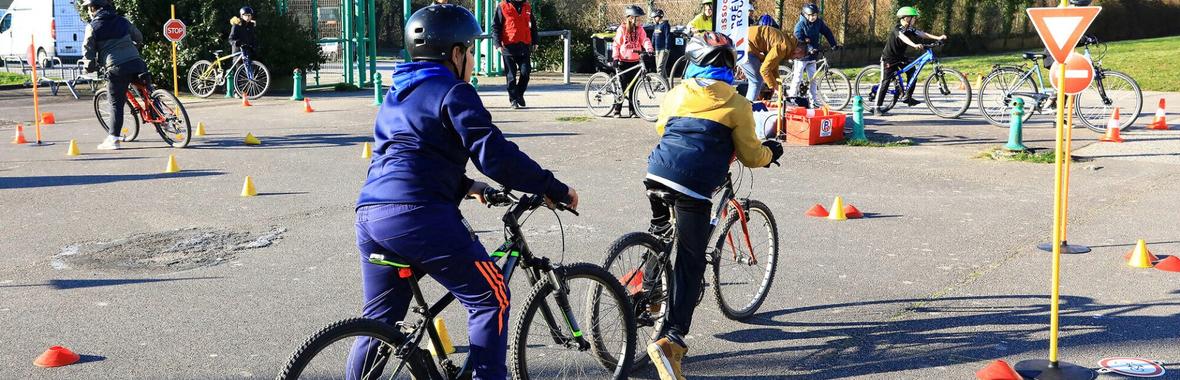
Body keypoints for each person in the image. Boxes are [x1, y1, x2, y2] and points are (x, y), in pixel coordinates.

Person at [350, 5, 578, 380]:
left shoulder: (397, 92)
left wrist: (466, 186)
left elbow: (409, 155)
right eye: (470, 50)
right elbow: (497, 157)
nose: (472, 59)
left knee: (379, 320)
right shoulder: (454, 91)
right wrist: (553, 187)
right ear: (455, 53)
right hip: (419, 216)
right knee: (491, 298)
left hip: (372, 214)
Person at [643, 31, 783, 380]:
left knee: (660, 231)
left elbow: (662, 127)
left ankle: (649, 291)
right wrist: (771, 153)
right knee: (690, 262)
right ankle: (672, 341)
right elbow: (750, 155)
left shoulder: (676, 93)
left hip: (656, 171)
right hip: (693, 183)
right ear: (729, 65)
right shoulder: (737, 104)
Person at [81, 0, 146, 151]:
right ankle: (163, 120)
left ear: (93, 9)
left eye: (89, 9)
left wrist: (89, 67)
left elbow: (88, 50)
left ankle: (113, 139)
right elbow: (138, 37)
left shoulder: (92, 26)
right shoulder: (122, 21)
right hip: (137, 62)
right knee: (147, 92)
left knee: (116, 104)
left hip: (116, 67)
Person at [873, 6, 946, 115]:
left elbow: (921, 33)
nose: (915, 19)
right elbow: (903, 37)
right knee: (885, 81)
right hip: (889, 58)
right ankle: (877, 107)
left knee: (913, 72)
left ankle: (907, 97)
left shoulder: (910, 29)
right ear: (906, 18)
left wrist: (938, 37)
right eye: (913, 17)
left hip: (900, 57)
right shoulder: (897, 28)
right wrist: (914, 45)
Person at [789, 3, 839, 108]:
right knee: (797, 78)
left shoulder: (818, 23)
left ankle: (814, 101)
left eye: (815, 15)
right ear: (805, 15)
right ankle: (791, 98)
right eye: (810, 15)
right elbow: (798, 38)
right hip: (801, 56)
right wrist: (809, 47)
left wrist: (833, 44)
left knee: (813, 80)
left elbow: (827, 32)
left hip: (812, 56)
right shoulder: (800, 25)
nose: (813, 17)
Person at [492, 0, 538, 109]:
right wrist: (497, 44)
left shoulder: (527, 6)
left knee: (526, 72)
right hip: (508, 47)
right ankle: (513, 99)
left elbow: (533, 25)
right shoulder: (502, 6)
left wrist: (535, 41)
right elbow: (496, 27)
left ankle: (519, 94)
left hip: (524, 46)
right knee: (511, 77)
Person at [610, 5, 654, 117]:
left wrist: (649, 49)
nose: (640, 20)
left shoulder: (640, 29)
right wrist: (615, 57)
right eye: (638, 18)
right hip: (623, 61)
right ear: (631, 18)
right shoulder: (622, 29)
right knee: (622, 86)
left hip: (635, 61)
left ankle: (632, 110)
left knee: (633, 88)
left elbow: (645, 40)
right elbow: (616, 44)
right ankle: (617, 109)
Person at [740, 24, 797, 102]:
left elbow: (772, 66)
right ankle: (748, 107)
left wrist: (777, 85)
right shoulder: (783, 46)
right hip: (745, 46)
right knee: (756, 81)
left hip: (746, 41)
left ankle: (748, 104)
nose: (794, 59)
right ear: (798, 50)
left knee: (757, 80)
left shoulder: (785, 40)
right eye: (797, 57)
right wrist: (775, 87)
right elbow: (764, 70)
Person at [229, 6, 259, 79]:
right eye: (246, 15)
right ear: (242, 16)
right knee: (239, 74)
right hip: (238, 52)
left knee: (251, 73)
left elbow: (252, 38)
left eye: (249, 15)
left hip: (248, 51)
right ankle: (236, 86)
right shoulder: (236, 25)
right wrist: (236, 43)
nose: (248, 17)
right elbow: (230, 39)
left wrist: (254, 46)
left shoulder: (250, 26)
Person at [651, 9, 671, 78]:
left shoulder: (665, 25)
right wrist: (652, 47)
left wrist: (667, 48)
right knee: (661, 68)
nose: (653, 19)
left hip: (663, 49)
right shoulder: (656, 26)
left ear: (659, 17)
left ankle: (658, 82)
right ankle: (665, 83)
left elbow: (667, 36)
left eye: (654, 17)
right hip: (657, 49)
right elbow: (653, 37)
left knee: (659, 67)